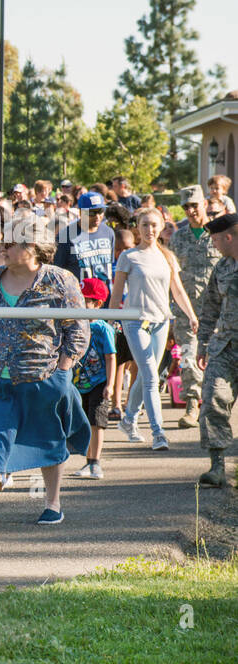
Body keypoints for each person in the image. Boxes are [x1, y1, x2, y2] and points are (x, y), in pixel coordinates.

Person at [0, 213, 89, 531]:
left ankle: (52, 504)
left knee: (48, 439)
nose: (4, 246)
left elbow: (78, 328)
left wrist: (64, 366)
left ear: (33, 247)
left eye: (13, 243)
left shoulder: (59, 280)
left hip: (42, 377)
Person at [109, 208, 197, 450]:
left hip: (161, 321)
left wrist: (190, 315)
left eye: (154, 225)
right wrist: (108, 321)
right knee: (149, 376)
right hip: (135, 321)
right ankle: (158, 433)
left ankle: (128, 420)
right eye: (145, 225)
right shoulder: (128, 256)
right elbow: (116, 294)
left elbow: (177, 290)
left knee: (148, 375)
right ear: (138, 227)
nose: (149, 230)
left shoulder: (167, 256)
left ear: (161, 227)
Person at [170, 185, 225, 429]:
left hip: (218, 311)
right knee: (189, 358)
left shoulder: (220, 233)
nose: (191, 210)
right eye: (186, 207)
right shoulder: (178, 238)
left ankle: (216, 407)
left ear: (204, 203)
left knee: (217, 359)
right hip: (186, 311)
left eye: (195, 205)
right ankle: (192, 405)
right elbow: (171, 275)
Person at [195, 213, 238, 486]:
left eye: (215, 240)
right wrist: (202, 342)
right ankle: (217, 466)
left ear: (229, 237)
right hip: (226, 346)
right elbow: (210, 307)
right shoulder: (222, 267)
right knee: (212, 400)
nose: (214, 246)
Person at [70, 278, 117, 479]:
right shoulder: (75, 324)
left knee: (97, 422)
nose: (80, 304)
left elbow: (110, 357)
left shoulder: (102, 328)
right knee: (84, 422)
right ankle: (87, 461)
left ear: (97, 304)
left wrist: (110, 384)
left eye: (85, 300)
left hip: (98, 383)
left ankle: (95, 462)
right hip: (79, 384)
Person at [55, 191, 115, 295]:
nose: (97, 216)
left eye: (100, 211)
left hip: (105, 300)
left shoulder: (108, 232)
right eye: (92, 212)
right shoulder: (65, 236)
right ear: (80, 212)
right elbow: (57, 272)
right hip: (78, 301)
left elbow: (110, 264)